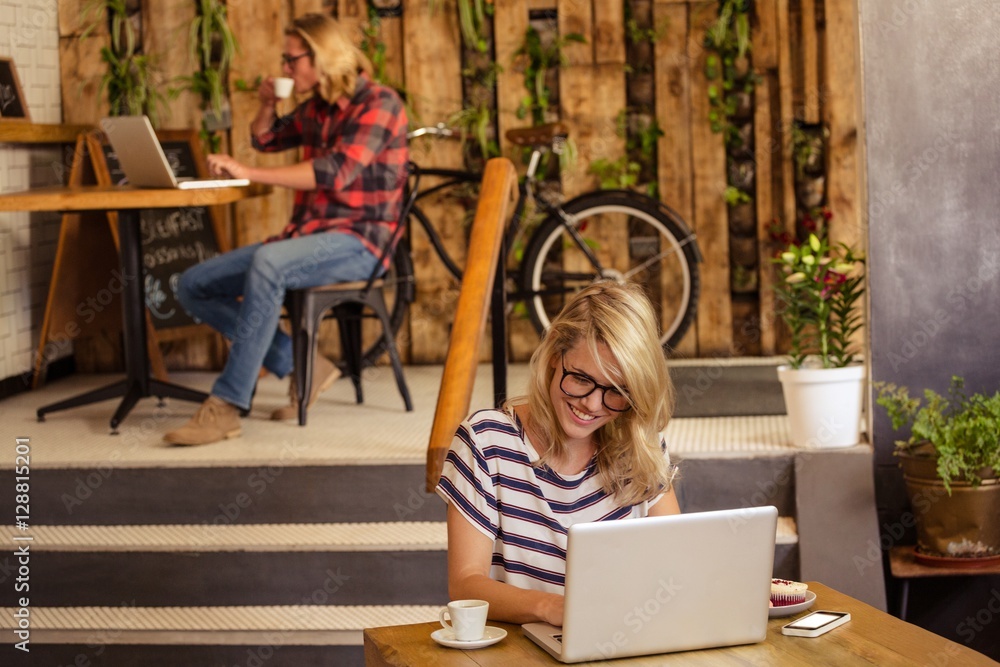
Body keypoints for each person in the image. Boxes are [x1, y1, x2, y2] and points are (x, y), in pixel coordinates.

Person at [164, 13, 408, 446]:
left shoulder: (380, 103)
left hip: (361, 242)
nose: (285, 68)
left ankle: (226, 405)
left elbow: (336, 171)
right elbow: (266, 139)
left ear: (321, 57)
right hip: (309, 236)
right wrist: (265, 105)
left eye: (291, 59)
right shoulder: (315, 108)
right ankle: (304, 367)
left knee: (269, 263)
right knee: (193, 285)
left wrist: (248, 172)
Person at [436, 282, 681, 627]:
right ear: (554, 357)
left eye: (617, 391)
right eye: (580, 379)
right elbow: (465, 585)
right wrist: (551, 608)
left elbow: (677, 563)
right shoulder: (488, 441)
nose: (592, 405)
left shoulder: (640, 444)